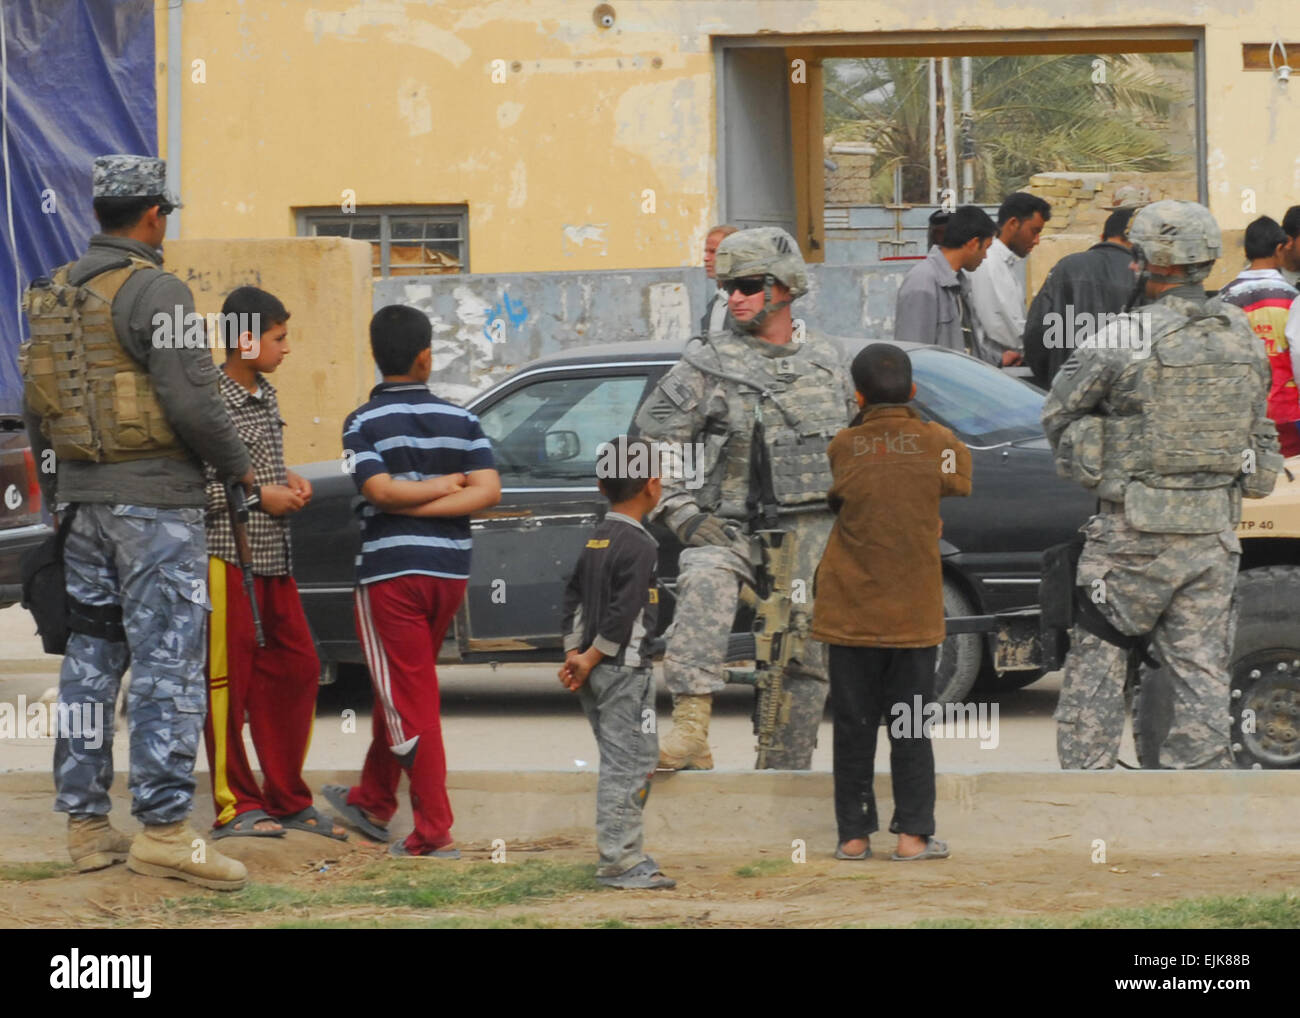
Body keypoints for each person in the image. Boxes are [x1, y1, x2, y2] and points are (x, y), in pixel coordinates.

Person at [20, 155, 253, 889]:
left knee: (91, 664)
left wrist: (66, 494)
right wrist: (242, 468)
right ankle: (162, 829)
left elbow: (37, 407)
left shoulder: (54, 292)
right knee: (168, 665)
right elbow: (193, 401)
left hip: (83, 505)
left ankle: (87, 827)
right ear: (154, 216)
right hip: (155, 508)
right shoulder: (158, 290)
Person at [1042, 200, 1283, 770]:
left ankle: (1087, 785)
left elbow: (1058, 414)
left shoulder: (1123, 336)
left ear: (1155, 263)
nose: (1133, 268)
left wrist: (1109, 449)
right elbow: (1258, 427)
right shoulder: (1244, 337)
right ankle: (1197, 790)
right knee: (1200, 666)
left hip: (1134, 536)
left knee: (1099, 662)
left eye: (1140, 258)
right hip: (1214, 535)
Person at [634, 226, 856, 770]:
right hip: (732, 525)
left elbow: (859, 446)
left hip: (814, 532)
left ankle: (784, 770)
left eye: (749, 285)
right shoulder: (708, 365)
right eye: (729, 286)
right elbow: (646, 444)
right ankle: (691, 732)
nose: (734, 296)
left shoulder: (830, 362)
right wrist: (682, 513)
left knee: (803, 651)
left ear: (784, 288)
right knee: (703, 580)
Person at [323, 305, 501, 858]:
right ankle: (373, 802)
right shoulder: (462, 420)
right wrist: (446, 491)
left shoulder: (359, 423)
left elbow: (379, 493)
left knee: (408, 700)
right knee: (402, 688)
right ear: (426, 356)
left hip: (391, 577)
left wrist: (409, 504)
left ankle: (433, 833)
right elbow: (487, 490)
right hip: (449, 573)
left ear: (379, 358)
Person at [812, 343, 971, 862]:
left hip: (848, 610)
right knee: (910, 726)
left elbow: (843, 495)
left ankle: (853, 838)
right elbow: (957, 482)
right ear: (915, 391)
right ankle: (912, 837)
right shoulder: (941, 442)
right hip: (913, 612)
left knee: (854, 727)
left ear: (856, 395)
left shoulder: (843, 445)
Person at [201, 287, 346, 841]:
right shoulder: (208, 402)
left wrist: (286, 480)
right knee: (227, 687)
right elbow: (197, 491)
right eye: (278, 337)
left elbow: (259, 472)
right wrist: (263, 496)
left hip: (273, 560)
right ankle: (234, 803)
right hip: (226, 558)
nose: (287, 348)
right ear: (245, 340)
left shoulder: (264, 392)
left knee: (298, 669)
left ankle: (286, 797)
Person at [558, 436, 674, 889]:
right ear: (651, 485)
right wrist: (590, 655)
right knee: (628, 764)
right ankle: (620, 860)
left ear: (601, 486)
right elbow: (624, 613)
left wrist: (574, 652)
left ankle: (626, 848)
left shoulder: (597, 536)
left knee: (629, 758)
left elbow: (572, 595)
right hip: (624, 671)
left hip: (594, 671)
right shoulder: (642, 543)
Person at [1023, 206, 1140, 389]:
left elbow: (1036, 335)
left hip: (1067, 394)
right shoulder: (1143, 278)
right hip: (1122, 401)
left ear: (1102, 237)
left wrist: (1053, 378)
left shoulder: (1066, 267)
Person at [1215, 216, 1300, 457]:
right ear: (1279, 248)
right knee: (1288, 482)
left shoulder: (1222, 299)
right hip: (1286, 411)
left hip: (1240, 412)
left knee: (1249, 475)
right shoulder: (1292, 298)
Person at [893, 205, 996, 354]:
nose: (985, 256)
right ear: (973, 244)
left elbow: (964, 346)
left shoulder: (958, 283)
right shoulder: (922, 283)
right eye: (986, 248)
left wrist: (998, 359)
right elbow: (914, 356)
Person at [966, 192, 1052, 367]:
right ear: (1013, 223)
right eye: (1034, 231)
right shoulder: (989, 262)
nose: (1037, 241)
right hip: (995, 367)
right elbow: (1002, 327)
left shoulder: (1005, 263)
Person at [700, 224, 738, 334]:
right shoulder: (714, 303)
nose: (706, 258)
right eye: (706, 252)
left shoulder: (746, 303)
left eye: (713, 252)